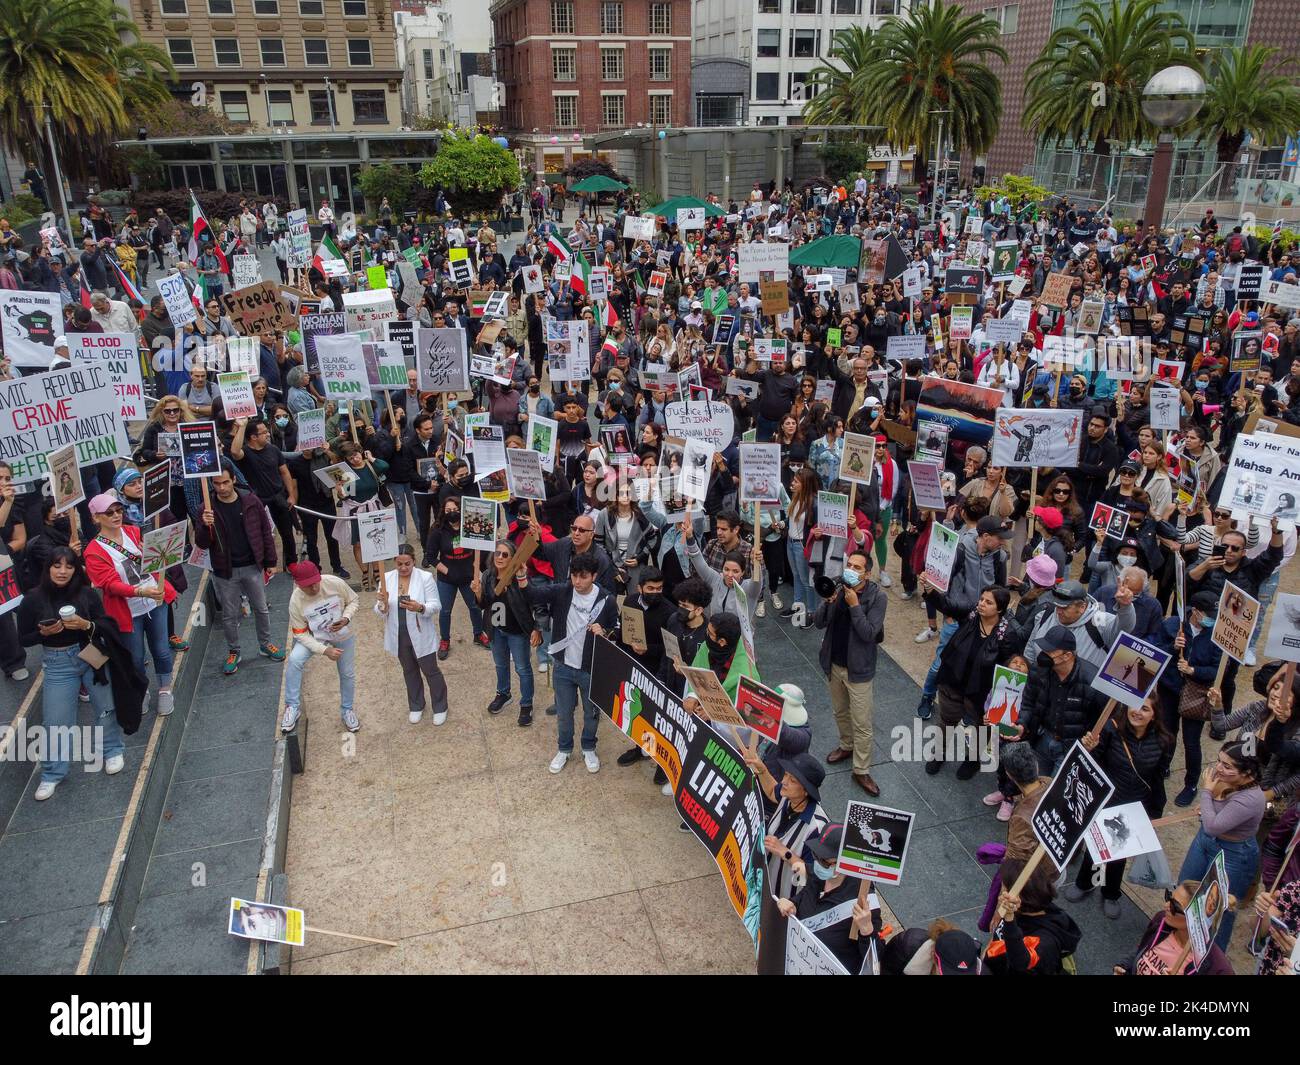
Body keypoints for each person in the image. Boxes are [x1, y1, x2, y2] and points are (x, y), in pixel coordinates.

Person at [16, 548, 127, 801]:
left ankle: (111, 750)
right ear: (48, 568)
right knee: (55, 720)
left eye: (69, 566)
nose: (62, 571)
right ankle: (52, 773)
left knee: (105, 706)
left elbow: (106, 624)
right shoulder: (33, 600)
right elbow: (23, 638)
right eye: (57, 566)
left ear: (76, 570)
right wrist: (43, 634)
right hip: (56, 662)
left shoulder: (86, 594)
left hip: (90, 654)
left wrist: (86, 625)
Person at [1070, 697, 1173, 919]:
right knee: (1095, 846)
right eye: (1135, 705)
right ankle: (1085, 882)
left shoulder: (1164, 741)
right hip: (1106, 801)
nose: (1137, 712)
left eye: (1145, 709)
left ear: (1154, 715)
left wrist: (1155, 814)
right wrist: (1090, 749)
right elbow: (1095, 764)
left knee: (1118, 853)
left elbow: (1158, 779)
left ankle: (1111, 893)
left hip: (1135, 806)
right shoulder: (1111, 729)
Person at [83, 493, 176, 716]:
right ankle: (141, 690)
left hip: (155, 601)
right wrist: (140, 591)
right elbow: (110, 585)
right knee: (135, 656)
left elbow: (156, 560)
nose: (116, 515)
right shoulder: (93, 552)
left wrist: (154, 552)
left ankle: (165, 689)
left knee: (162, 650)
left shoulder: (134, 532)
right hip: (128, 610)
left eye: (118, 510)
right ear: (96, 518)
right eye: (109, 512)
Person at [527, 553, 618, 774]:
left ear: (594, 576)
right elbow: (533, 594)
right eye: (574, 576)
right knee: (564, 713)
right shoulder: (563, 590)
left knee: (591, 713)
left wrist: (605, 632)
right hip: (562, 666)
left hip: (591, 669)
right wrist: (522, 576)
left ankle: (588, 746)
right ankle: (564, 749)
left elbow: (619, 629)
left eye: (583, 577)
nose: (577, 581)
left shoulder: (607, 599)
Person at [194, 468, 285, 675]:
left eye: (225, 482)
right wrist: (204, 526)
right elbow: (202, 543)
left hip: (252, 565)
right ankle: (234, 650)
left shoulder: (251, 501)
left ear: (234, 479)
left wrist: (271, 561)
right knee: (229, 614)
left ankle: (265, 643)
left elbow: (265, 532)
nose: (222, 488)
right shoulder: (207, 509)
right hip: (225, 569)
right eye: (217, 484)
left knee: (261, 608)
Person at [1177, 740, 1266, 951]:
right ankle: (1180, 940)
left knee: (1220, 911)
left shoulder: (1252, 798)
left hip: (1233, 854)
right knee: (1185, 889)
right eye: (1219, 761)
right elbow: (1211, 818)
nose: (1218, 768)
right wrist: (1208, 807)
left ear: (1249, 775)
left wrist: (1207, 794)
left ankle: (1212, 957)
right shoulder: (1228, 778)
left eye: (1227, 766)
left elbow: (1213, 826)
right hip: (1205, 841)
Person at [926, 586, 1019, 779]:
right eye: (981, 599)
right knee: (946, 721)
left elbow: (1009, 669)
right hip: (954, 681)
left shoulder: (1007, 634)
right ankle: (939, 753)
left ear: (1000, 609)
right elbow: (947, 605)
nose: (981, 604)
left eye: (989, 602)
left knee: (981, 728)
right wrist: (930, 590)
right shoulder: (970, 615)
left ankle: (973, 760)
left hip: (982, 692)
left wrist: (999, 706)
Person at [816, 548, 886, 796]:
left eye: (857, 568)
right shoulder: (838, 588)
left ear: (867, 574)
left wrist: (854, 606)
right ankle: (846, 745)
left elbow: (869, 633)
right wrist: (828, 603)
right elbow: (818, 622)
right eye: (850, 565)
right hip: (834, 664)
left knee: (863, 723)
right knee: (840, 712)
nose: (851, 570)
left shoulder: (877, 598)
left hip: (859, 670)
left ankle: (861, 769)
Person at [769, 823, 879, 973]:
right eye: (815, 855)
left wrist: (867, 931)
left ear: (844, 863)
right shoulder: (818, 875)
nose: (817, 863)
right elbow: (804, 896)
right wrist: (792, 903)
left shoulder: (864, 901)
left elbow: (875, 962)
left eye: (824, 861)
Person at [282, 561, 360, 734]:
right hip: (314, 636)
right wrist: (324, 650)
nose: (314, 588)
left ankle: (347, 710)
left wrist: (346, 618)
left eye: (315, 582)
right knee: (295, 660)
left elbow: (353, 600)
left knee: (347, 672)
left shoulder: (334, 582)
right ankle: (292, 707)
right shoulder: (296, 600)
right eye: (308, 586)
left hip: (341, 633)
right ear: (298, 585)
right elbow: (300, 633)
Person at [375, 542, 448, 725]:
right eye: (399, 564)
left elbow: (436, 605)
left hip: (420, 631)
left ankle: (440, 706)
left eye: (407, 563)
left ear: (414, 561)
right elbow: (380, 610)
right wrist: (382, 605)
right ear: (394, 562)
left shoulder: (425, 578)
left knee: (430, 670)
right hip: (399, 633)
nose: (403, 567)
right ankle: (416, 705)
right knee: (409, 670)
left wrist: (420, 607)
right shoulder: (386, 578)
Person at [1016, 626, 1105, 775]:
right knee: (1035, 786)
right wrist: (1022, 724)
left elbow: (1098, 722)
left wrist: (1086, 747)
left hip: (1069, 748)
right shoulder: (1038, 671)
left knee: (1054, 794)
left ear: (1067, 655)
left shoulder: (1092, 682)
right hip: (1042, 739)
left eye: (1049, 651)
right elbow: (1028, 703)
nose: (1043, 654)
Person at [745, 750, 829, 901]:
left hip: (789, 902)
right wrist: (761, 768)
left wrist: (785, 852)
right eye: (786, 775)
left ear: (806, 791)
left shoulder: (816, 828)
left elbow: (815, 876)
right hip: (768, 886)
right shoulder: (788, 798)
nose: (784, 781)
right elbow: (772, 791)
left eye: (793, 780)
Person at [473, 539, 540, 726]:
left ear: (513, 558)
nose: (500, 557)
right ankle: (503, 693)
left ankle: (526, 704)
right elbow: (484, 604)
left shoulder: (520, 578)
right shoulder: (487, 576)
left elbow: (535, 602)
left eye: (505, 554)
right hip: (496, 629)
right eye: (497, 553)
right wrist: (477, 593)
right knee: (500, 665)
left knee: (522, 669)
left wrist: (536, 628)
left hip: (517, 631)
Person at [985, 856, 1083, 976]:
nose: (1001, 892)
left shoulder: (1046, 942)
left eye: (1004, 887)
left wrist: (1009, 919)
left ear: (1020, 898)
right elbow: (997, 938)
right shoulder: (1016, 907)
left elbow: (1021, 963)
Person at [1114, 881, 1234, 975]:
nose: (1166, 906)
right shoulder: (1161, 920)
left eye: (1175, 906)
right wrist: (1125, 966)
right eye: (1169, 897)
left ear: (1196, 919)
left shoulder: (1217, 967)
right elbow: (1142, 948)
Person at [230, 416, 299, 571]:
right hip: (258, 501)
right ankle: (264, 565)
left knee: (287, 533)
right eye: (263, 432)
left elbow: (284, 472)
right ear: (253, 437)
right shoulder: (245, 453)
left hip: (278, 497)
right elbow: (234, 451)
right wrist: (242, 426)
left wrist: (291, 495)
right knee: (261, 534)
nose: (268, 434)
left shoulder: (273, 450)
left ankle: (291, 563)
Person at [426, 493, 488, 659]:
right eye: (448, 510)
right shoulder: (437, 530)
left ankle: (478, 634)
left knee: (475, 606)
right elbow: (430, 557)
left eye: (455, 509)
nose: (452, 512)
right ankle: (445, 640)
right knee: (445, 611)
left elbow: (481, 546)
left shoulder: (471, 525)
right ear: (443, 511)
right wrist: (448, 571)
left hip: (468, 576)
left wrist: (476, 567)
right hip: (447, 579)